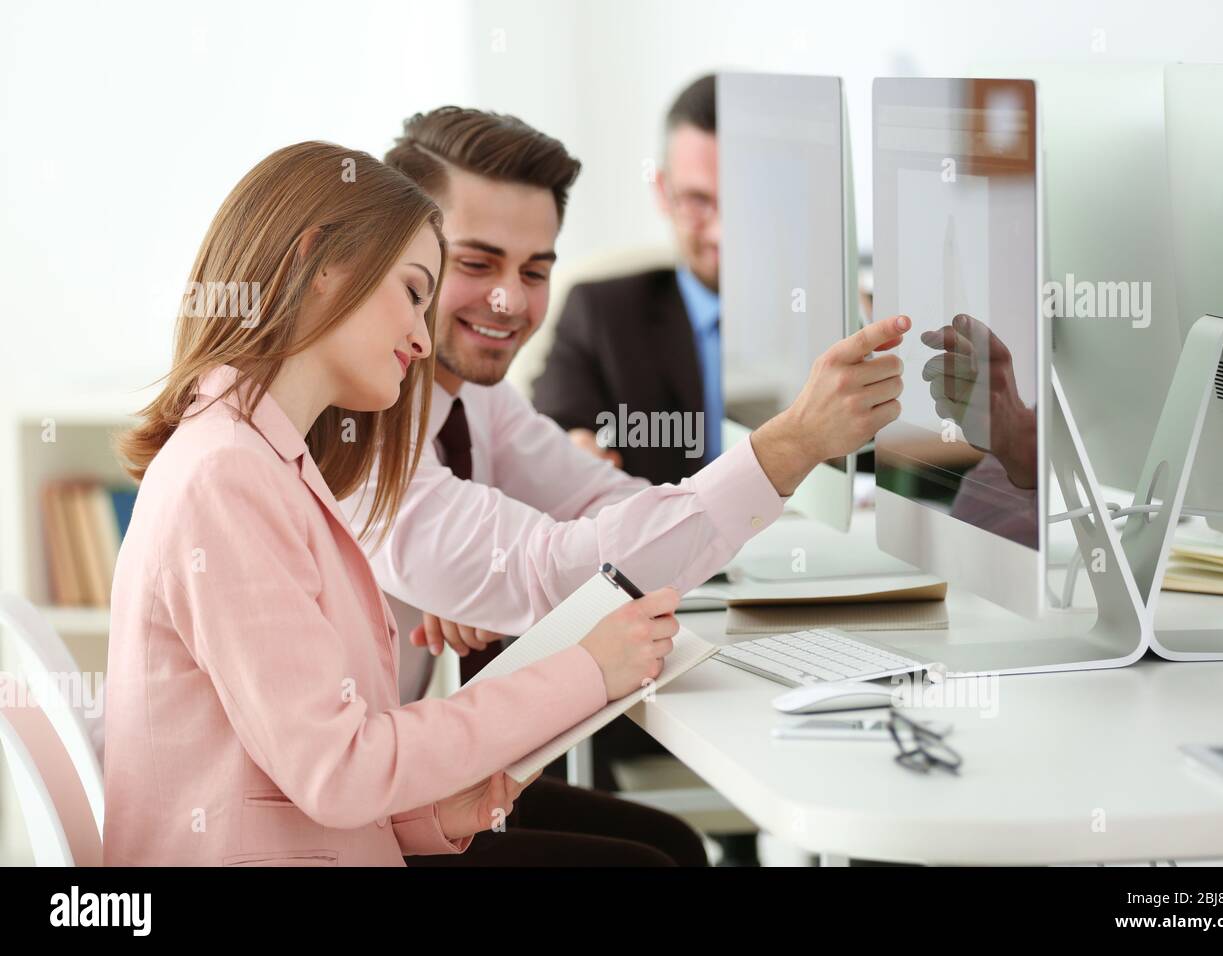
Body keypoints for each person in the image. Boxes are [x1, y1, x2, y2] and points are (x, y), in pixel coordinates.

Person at [339, 107, 909, 862]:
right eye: (477, 265)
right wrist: (793, 445)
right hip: (343, 822)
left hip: (399, 784)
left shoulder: (474, 399)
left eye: (535, 270)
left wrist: (529, 572)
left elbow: (604, 507)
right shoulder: (362, 420)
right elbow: (555, 571)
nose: (511, 301)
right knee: (657, 861)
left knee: (670, 844)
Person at [104, 141, 681, 866]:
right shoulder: (228, 476)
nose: (419, 335)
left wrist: (427, 817)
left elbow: (308, 763)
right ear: (319, 265)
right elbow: (341, 770)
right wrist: (586, 670)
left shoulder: (263, 459)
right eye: (412, 291)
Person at [533, 74, 721, 485]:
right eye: (698, 201)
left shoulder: (828, 316)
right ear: (662, 191)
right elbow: (556, 425)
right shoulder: (601, 314)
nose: (720, 231)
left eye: (742, 201)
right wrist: (573, 451)